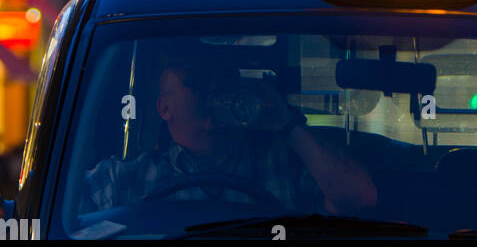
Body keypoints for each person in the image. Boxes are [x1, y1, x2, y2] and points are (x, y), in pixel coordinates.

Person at [82, 62, 377, 218]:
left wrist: (287, 125)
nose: (212, 90)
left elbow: (359, 198)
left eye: (221, 79)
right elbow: (56, 215)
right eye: (197, 82)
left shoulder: (278, 162)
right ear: (164, 108)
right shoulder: (133, 178)